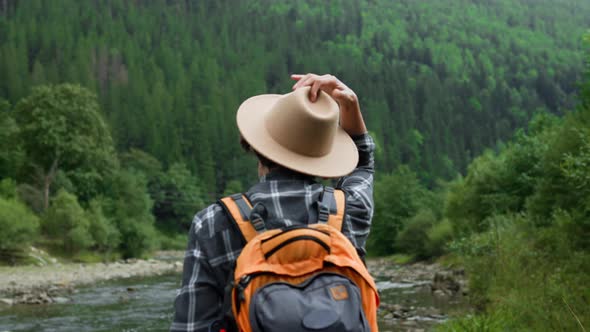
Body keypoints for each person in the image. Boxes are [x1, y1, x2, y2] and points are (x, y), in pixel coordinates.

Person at [171, 73, 376, 332]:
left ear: (257, 147)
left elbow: (192, 325)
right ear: (324, 160)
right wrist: (350, 107)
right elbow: (363, 168)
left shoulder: (212, 223)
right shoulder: (351, 210)